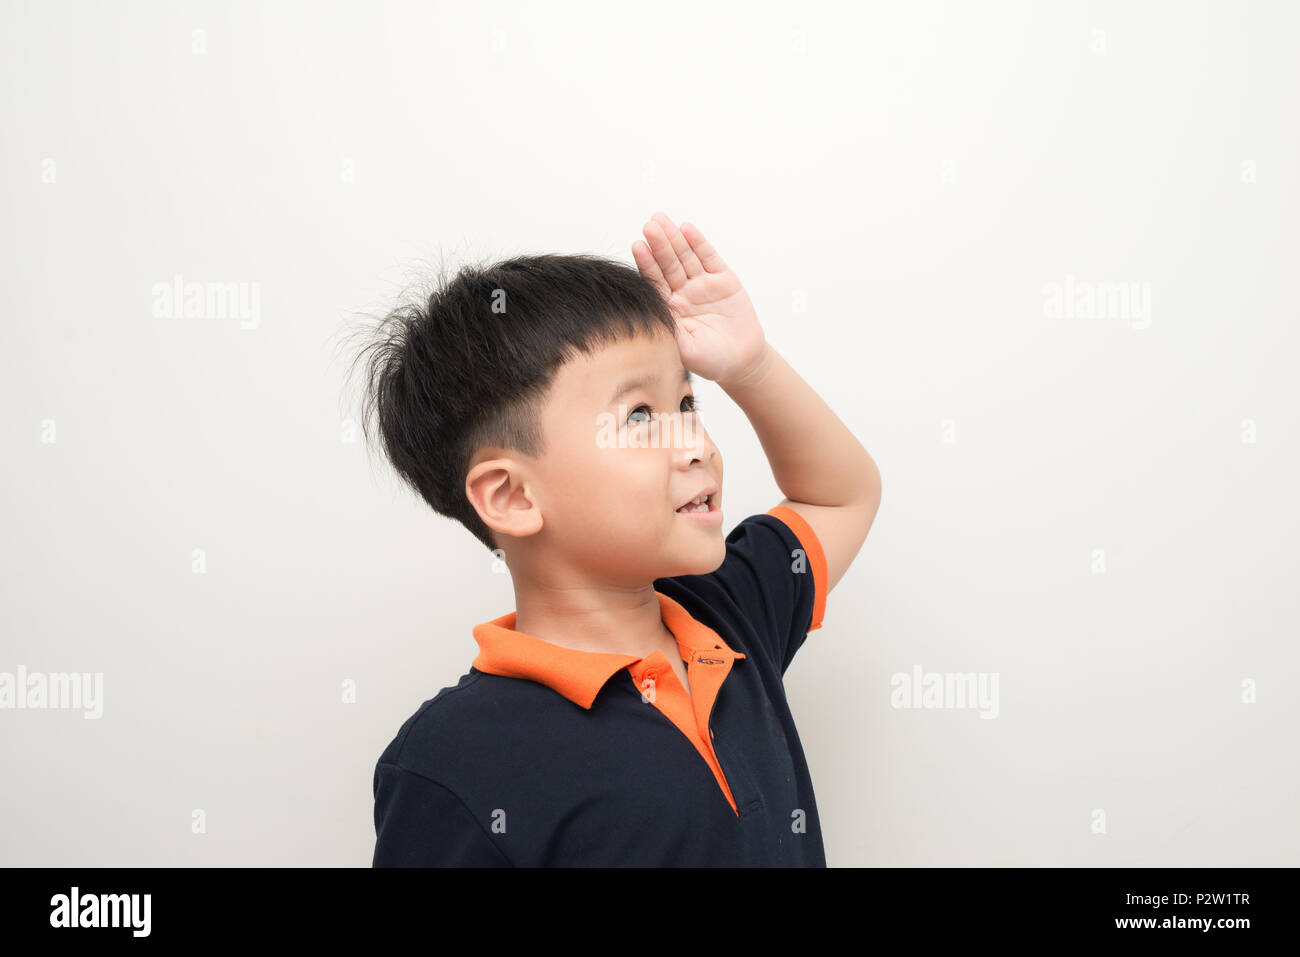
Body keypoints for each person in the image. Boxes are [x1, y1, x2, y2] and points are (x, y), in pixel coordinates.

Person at [356, 212, 882, 865]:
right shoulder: (453, 761)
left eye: (687, 404)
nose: (696, 446)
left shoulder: (728, 615)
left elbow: (839, 493)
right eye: (640, 416)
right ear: (513, 496)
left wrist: (751, 367)